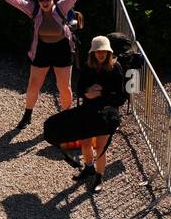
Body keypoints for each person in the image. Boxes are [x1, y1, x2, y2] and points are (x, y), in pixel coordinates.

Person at [0, 0, 86, 131]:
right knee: (33, 84)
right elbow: (15, 1)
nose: (45, 2)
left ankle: (66, 116)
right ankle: (27, 115)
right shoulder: (33, 8)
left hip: (62, 49)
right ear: (37, 0)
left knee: (64, 86)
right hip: (42, 49)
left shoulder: (61, 7)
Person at [45, 36, 127, 194]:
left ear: (108, 52)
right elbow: (80, 88)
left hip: (106, 114)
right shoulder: (88, 67)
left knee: (101, 148)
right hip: (88, 110)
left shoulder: (115, 68)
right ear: (93, 53)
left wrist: (100, 95)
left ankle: (99, 176)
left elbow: (121, 97)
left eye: (103, 51)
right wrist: (88, 94)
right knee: (85, 143)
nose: (101, 54)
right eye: (98, 51)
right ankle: (89, 168)